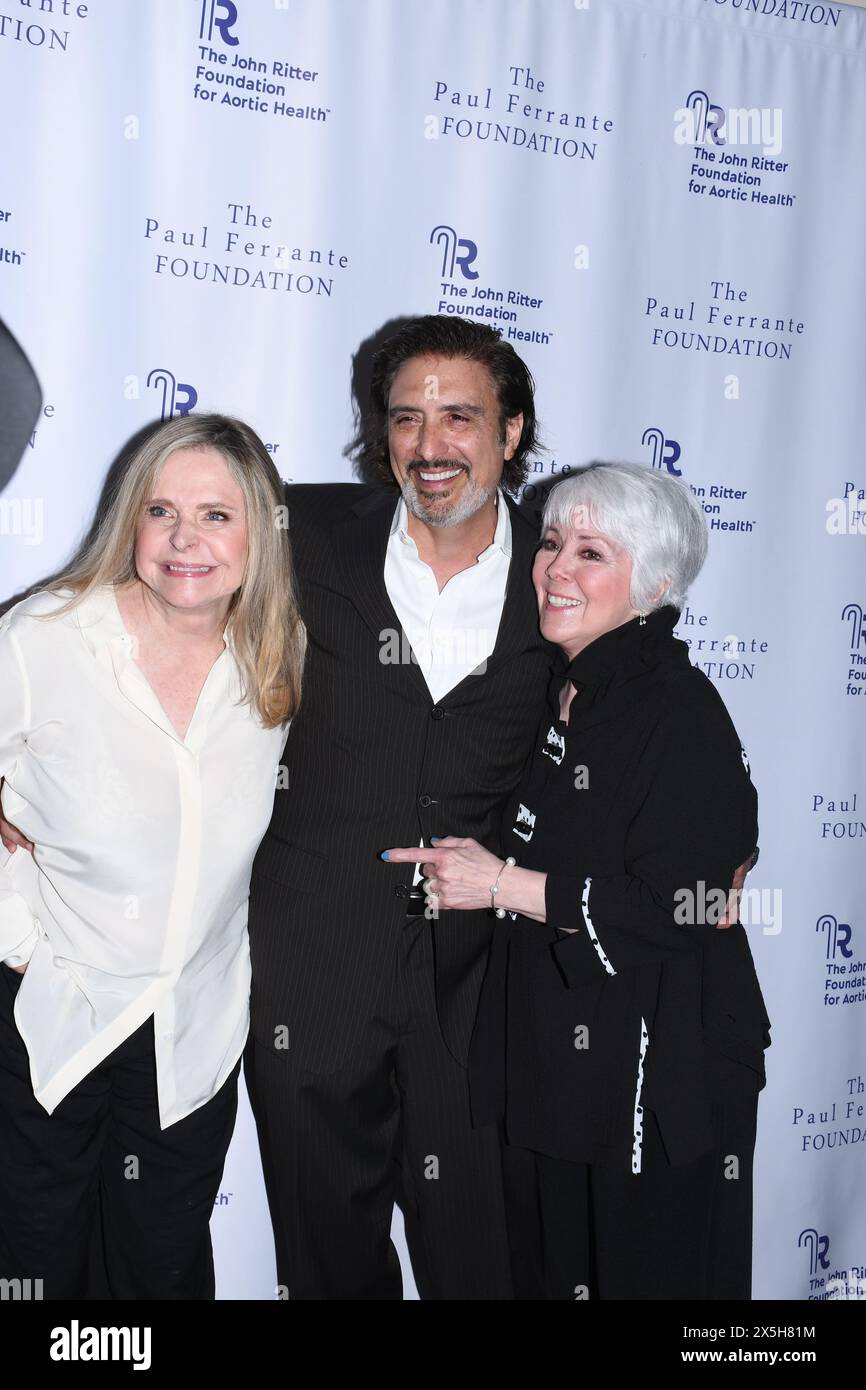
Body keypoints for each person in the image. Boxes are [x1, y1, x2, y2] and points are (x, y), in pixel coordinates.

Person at [384, 461, 770, 1300]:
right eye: (552, 542)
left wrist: (502, 886)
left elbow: (682, 903)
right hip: (553, 1066)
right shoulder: (563, 689)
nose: (556, 568)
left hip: (653, 1077)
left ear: (655, 583)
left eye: (591, 552)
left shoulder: (678, 706)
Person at [243, 315, 557, 1299]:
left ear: (509, 434)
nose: (430, 444)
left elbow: (649, 701)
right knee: (325, 1250)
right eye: (405, 417)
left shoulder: (574, 560)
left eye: (459, 416)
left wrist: (705, 832)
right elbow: (135, 603)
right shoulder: (297, 531)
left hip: (487, 973)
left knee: (489, 1252)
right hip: (313, 959)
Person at [0, 413, 304, 1299]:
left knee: (161, 1270)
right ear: (129, 519)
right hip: (52, 1008)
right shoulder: (44, 639)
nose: (185, 540)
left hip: (193, 1030)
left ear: (260, 534)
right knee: (35, 1263)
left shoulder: (273, 656)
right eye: (162, 510)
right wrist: (16, 932)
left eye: (217, 515)